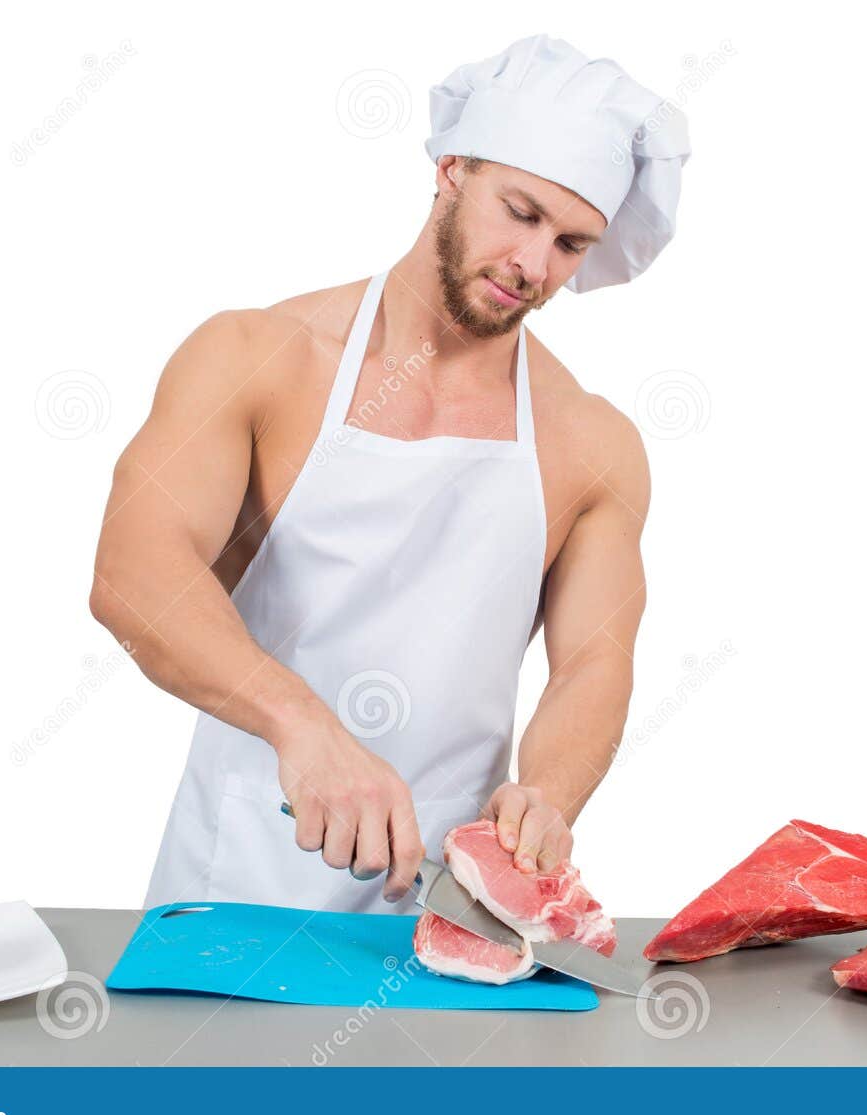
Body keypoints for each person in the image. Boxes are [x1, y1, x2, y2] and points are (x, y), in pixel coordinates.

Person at [89, 33, 690, 914]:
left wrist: (547, 795)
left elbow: (592, 665)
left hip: (449, 898)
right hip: (241, 875)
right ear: (452, 167)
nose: (534, 265)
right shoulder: (260, 357)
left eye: (570, 242)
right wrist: (301, 722)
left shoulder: (591, 440)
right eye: (519, 212)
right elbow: (132, 576)